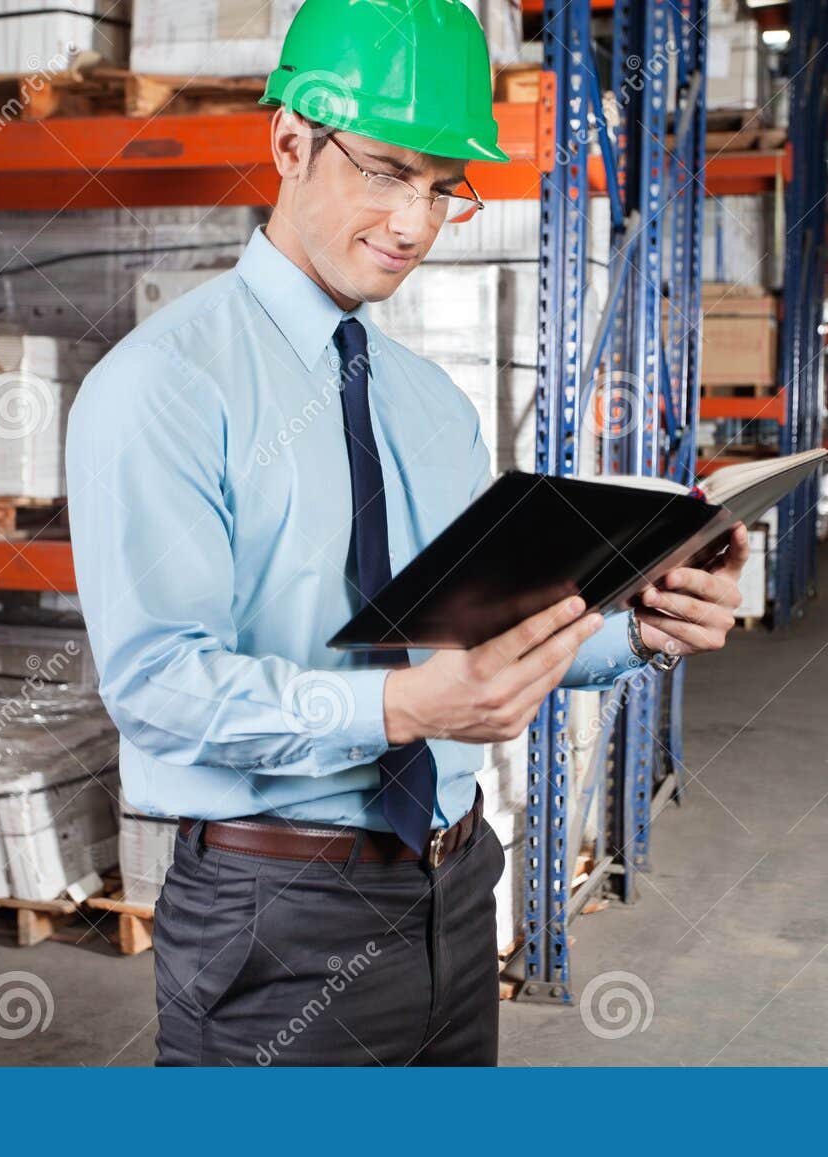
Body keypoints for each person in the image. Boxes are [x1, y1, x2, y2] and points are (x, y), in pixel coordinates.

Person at [65, 0, 750, 1067]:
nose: (415, 223)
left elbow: (484, 627)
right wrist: (395, 705)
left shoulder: (429, 402)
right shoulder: (162, 386)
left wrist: (649, 621)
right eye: (387, 170)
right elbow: (158, 684)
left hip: (455, 884)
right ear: (289, 141)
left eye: (442, 188)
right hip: (275, 909)